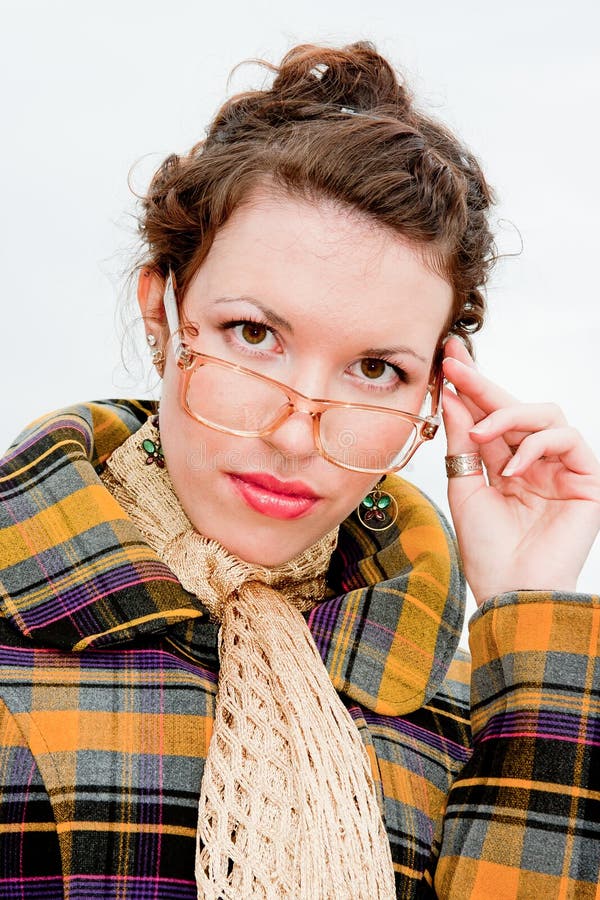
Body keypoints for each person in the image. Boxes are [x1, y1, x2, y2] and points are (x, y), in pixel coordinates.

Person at [0, 40, 598, 900]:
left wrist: (526, 609)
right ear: (162, 312)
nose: (297, 434)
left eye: (374, 369)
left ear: (437, 387)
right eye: (255, 335)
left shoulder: (461, 708)